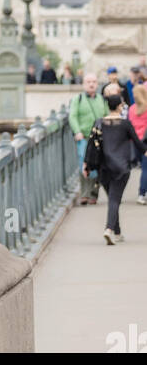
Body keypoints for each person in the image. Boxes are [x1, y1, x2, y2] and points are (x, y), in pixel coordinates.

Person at [84, 92, 147, 244]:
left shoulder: (98, 122)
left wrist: (86, 164)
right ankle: (109, 229)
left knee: (113, 198)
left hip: (103, 168)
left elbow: (91, 146)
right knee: (114, 199)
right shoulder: (125, 124)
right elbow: (138, 144)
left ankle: (117, 233)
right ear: (119, 107)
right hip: (121, 167)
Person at [69, 74, 108, 205]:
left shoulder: (102, 100)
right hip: (84, 137)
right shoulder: (77, 99)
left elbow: (107, 116)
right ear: (84, 84)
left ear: (97, 84)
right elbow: (72, 116)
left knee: (97, 165)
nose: (91, 84)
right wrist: (77, 131)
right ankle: (84, 193)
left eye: (94, 82)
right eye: (88, 82)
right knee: (83, 163)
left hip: (99, 138)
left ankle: (93, 194)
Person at [127, 76, 147, 206]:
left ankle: (142, 193)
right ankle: (141, 193)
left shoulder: (132, 109)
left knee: (143, 169)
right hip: (146, 142)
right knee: (146, 170)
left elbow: (130, 126)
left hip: (135, 143)